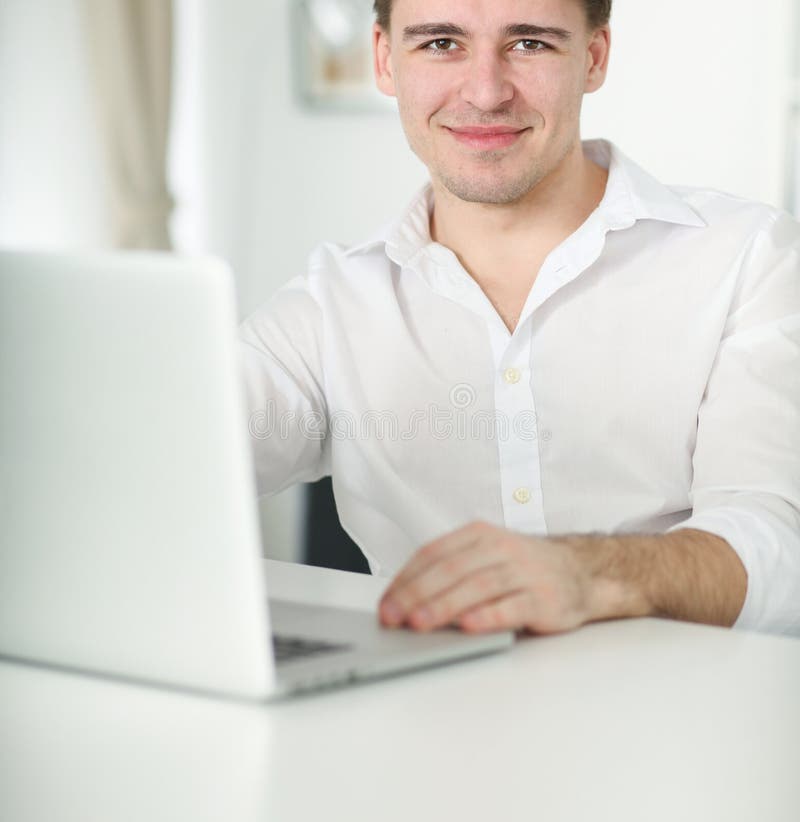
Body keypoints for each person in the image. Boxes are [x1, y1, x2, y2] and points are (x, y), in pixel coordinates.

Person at [239, 0, 800, 637]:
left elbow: (781, 554)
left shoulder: (748, 260)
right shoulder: (331, 302)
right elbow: (174, 452)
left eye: (529, 44)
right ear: (384, 58)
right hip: (418, 723)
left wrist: (588, 572)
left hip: (682, 722)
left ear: (593, 57)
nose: (485, 92)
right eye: (441, 43)